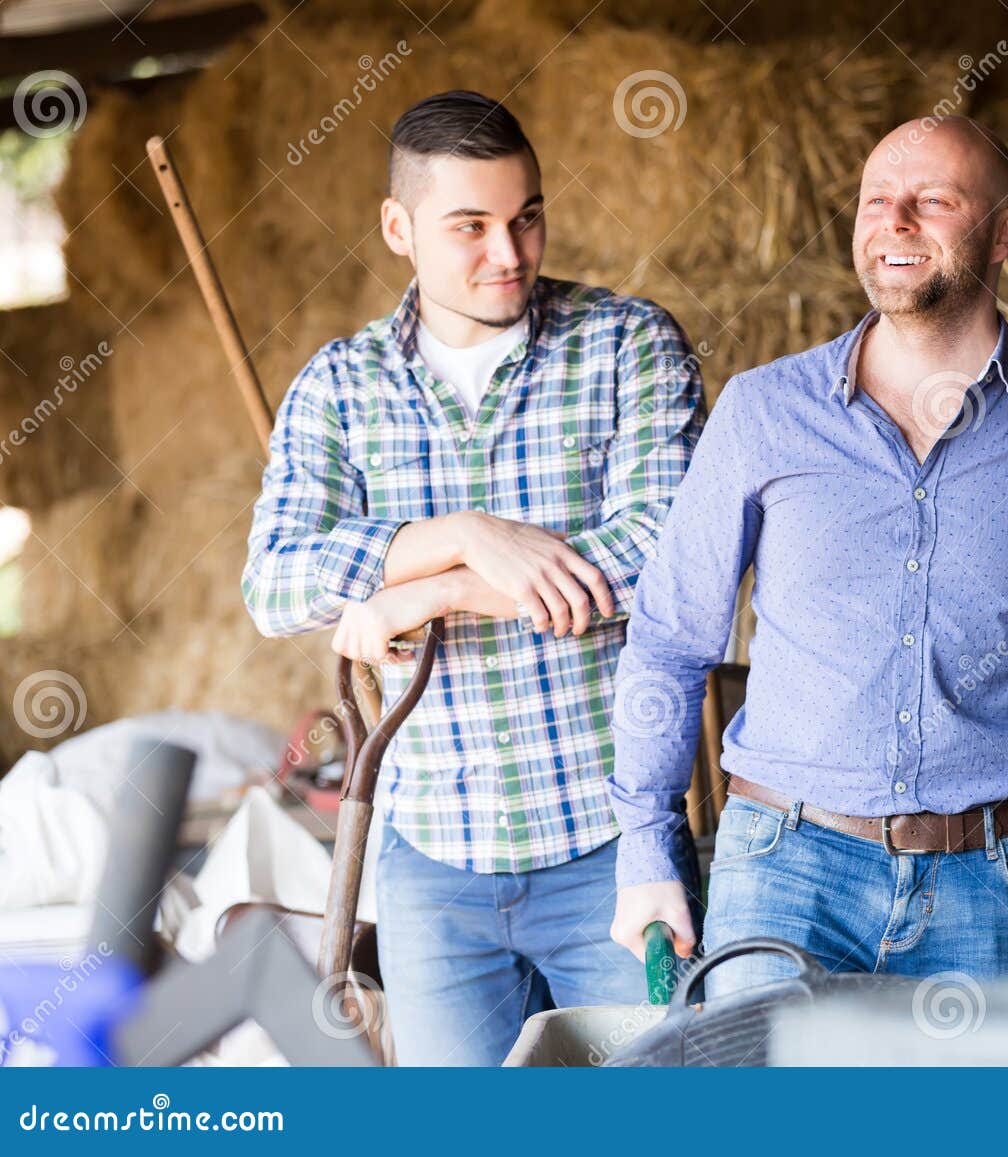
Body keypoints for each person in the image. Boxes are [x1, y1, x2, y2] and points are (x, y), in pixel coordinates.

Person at [607, 116, 1008, 996]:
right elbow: (670, 638)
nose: (894, 221)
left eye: (933, 201)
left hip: (999, 881)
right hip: (784, 870)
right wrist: (646, 846)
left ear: (1006, 233)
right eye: (877, 201)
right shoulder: (762, 413)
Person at [242, 90, 702, 1061]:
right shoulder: (339, 385)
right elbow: (275, 584)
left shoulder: (627, 344)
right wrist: (462, 536)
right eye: (472, 227)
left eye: (526, 216)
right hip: (432, 865)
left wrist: (417, 592)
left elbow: (664, 553)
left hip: (610, 844)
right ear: (398, 227)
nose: (510, 251)